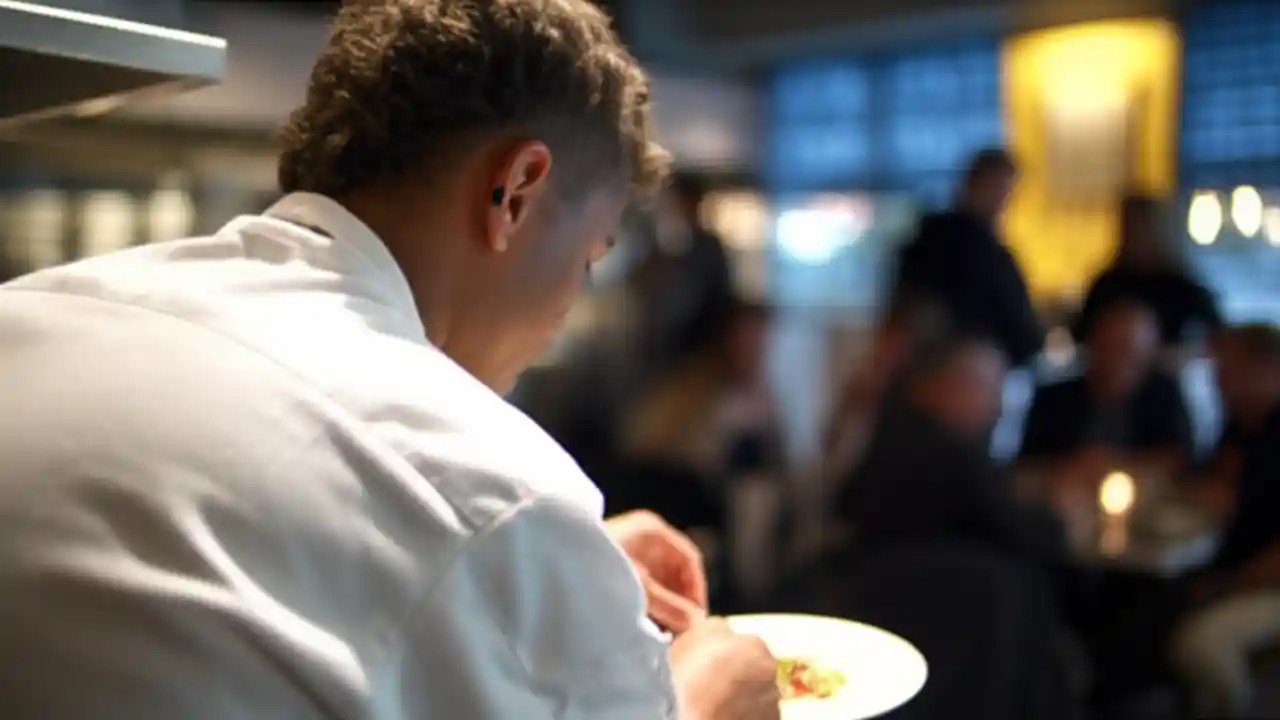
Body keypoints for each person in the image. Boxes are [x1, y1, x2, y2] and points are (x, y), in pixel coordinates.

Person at [0, 3, 780, 719]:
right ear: (515, 191)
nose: (572, 300)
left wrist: (556, 576)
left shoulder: (37, 310)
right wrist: (713, 694)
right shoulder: (483, 478)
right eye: (588, 256)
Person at [841, 335, 1067, 564]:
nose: (996, 409)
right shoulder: (950, 454)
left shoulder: (892, 435)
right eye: (986, 390)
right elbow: (1018, 528)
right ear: (944, 384)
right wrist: (1060, 513)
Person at [1170, 324, 1280, 717]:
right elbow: (1209, 484)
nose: (1217, 382)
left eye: (1226, 370)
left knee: (1201, 644)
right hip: (1235, 570)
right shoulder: (1243, 425)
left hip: (1266, 584)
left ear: (1266, 369)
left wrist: (1227, 586)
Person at [892, 148, 1043, 366]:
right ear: (972, 185)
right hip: (955, 368)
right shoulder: (946, 246)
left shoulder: (987, 251)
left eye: (1006, 193)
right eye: (997, 190)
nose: (1001, 202)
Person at [1020, 301, 1193, 484]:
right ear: (1091, 343)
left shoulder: (1164, 398)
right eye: (1110, 345)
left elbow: (1178, 461)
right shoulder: (1053, 398)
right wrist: (1073, 466)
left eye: (1128, 351)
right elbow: (1026, 465)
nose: (1116, 360)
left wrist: (1114, 464)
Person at [1075, 193, 1221, 352]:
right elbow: (1083, 337)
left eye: (1145, 228)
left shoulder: (1185, 291)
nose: (1139, 236)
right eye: (1133, 228)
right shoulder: (1107, 287)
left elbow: (1212, 339)